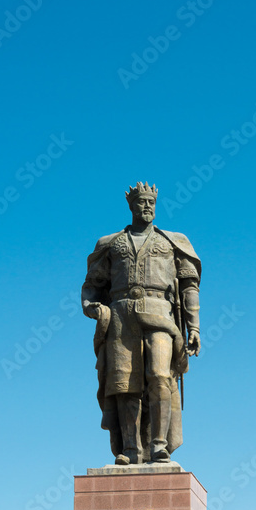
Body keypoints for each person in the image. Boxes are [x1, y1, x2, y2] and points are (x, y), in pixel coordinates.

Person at [82, 181, 201, 465]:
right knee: (125, 384)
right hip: (120, 316)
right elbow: (92, 285)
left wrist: (194, 326)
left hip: (160, 313)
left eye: (151, 203)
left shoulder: (172, 241)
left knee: (160, 376)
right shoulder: (110, 243)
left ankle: (159, 445)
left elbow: (189, 286)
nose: (146, 207)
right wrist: (92, 307)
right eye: (141, 203)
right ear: (131, 206)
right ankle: (132, 449)